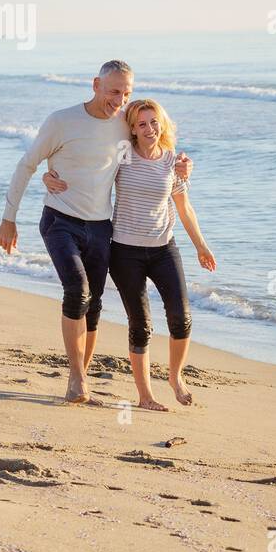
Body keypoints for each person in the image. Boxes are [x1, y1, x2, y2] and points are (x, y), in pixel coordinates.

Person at [0, 60, 192, 405]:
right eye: (114, 91)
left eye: (127, 92)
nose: (120, 99)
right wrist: (9, 217)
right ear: (96, 84)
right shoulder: (61, 120)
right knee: (77, 290)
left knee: (94, 305)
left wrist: (180, 166)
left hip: (101, 228)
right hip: (61, 220)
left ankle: (81, 378)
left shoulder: (123, 128)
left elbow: (152, 152)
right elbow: (28, 163)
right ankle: (76, 377)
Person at [45, 98, 215, 410]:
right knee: (140, 324)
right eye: (141, 124)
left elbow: (184, 208)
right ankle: (145, 397)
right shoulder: (122, 155)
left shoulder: (173, 162)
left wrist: (201, 246)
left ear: (161, 123)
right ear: (132, 131)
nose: (149, 129)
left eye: (154, 122)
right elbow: (88, 171)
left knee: (181, 316)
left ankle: (176, 377)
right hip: (125, 251)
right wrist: (48, 174)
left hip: (164, 249)